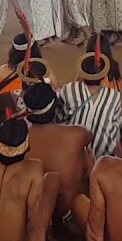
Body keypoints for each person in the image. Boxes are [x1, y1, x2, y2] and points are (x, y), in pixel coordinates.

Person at [20, 82, 92, 232]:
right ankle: (64, 220)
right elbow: (89, 137)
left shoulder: (19, 136)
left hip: (27, 208)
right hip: (63, 209)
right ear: (55, 108)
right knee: (86, 155)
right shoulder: (78, 134)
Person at [57, 49, 122, 158]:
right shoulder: (114, 95)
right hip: (102, 155)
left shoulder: (70, 88)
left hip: (70, 152)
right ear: (104, 76)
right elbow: (114, 124)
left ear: (82, 73)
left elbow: (59, 117)